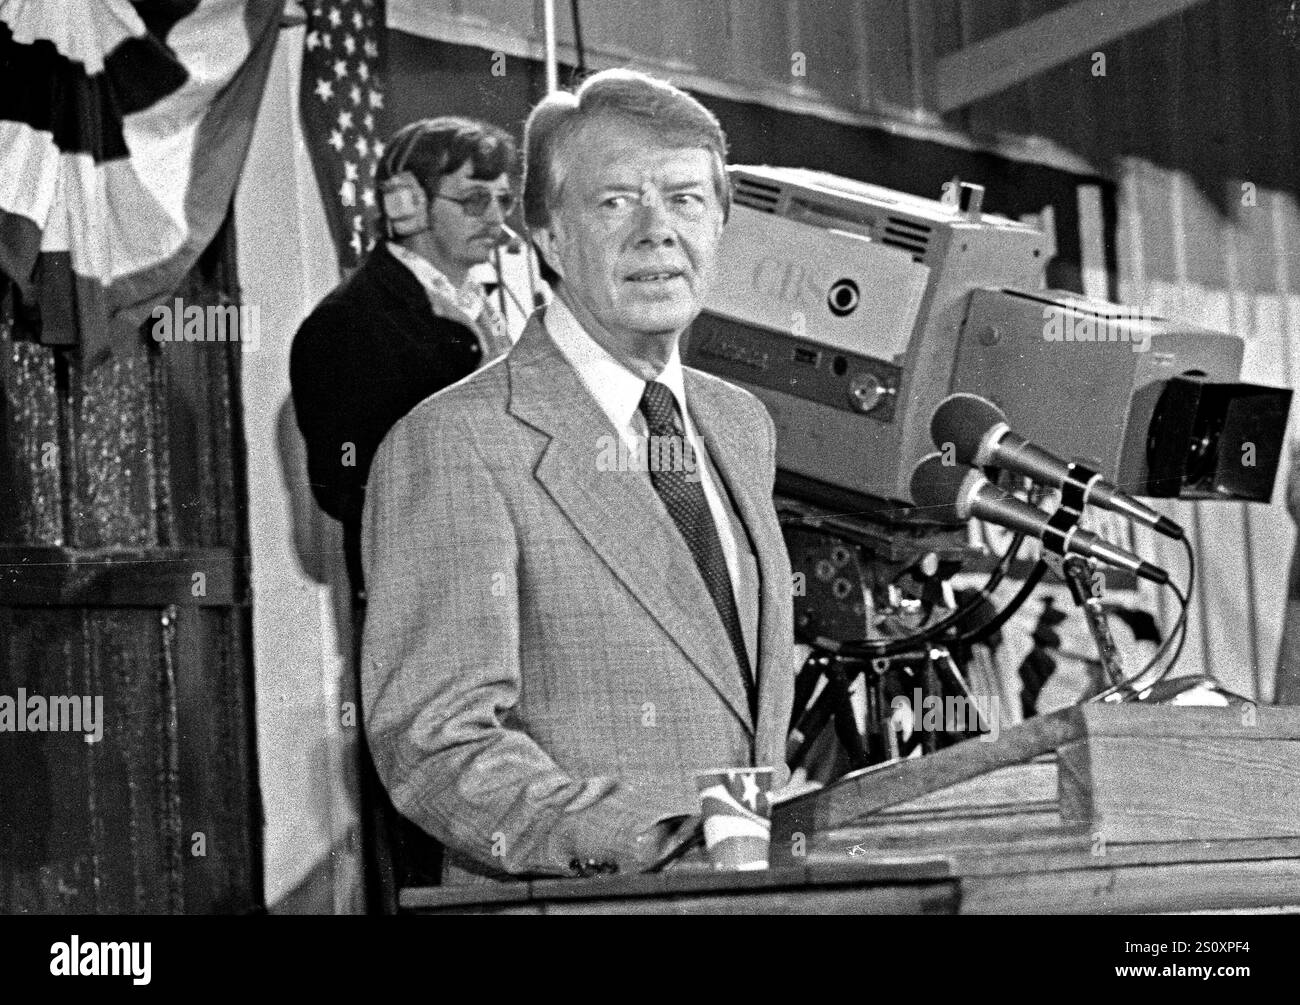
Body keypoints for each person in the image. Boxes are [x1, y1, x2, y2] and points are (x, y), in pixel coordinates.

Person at [360, 69, 795, 883]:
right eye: (616, 201)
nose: (658, 233)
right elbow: (436, 743)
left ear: (720, 227)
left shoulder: (740, 426)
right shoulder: (455, 442)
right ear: (550, 239)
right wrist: (650, 845)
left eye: (685, 200)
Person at [290, 116, 518, 595]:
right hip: (428, 594)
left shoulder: (481, 306)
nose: (496, 218)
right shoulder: (347, 322)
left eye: (503, 199)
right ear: (407, 203)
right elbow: (343, 486)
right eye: (475, 199)